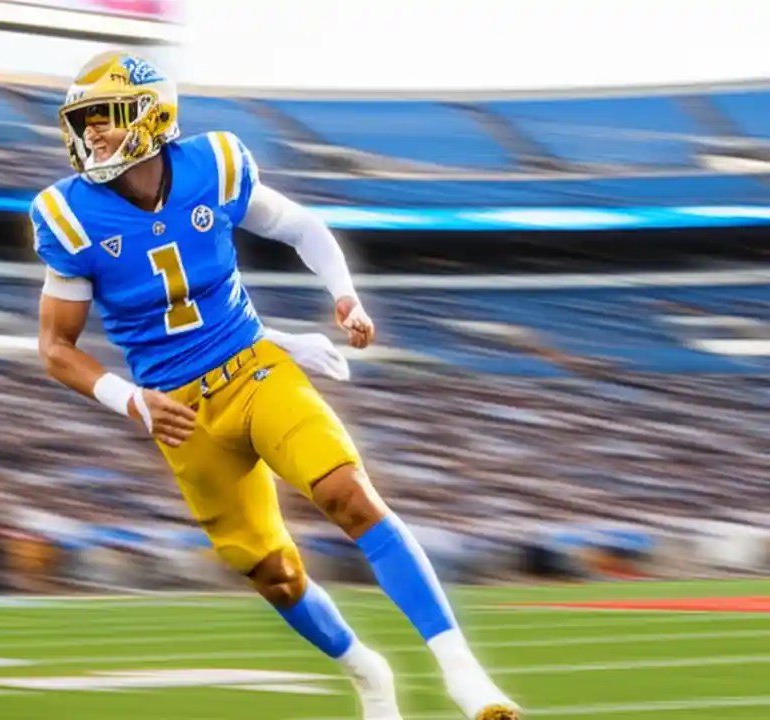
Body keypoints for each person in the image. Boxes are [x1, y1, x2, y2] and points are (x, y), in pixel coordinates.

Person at [32, 50, 520, 720]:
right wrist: (130, 399)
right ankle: (367, 671)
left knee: (348, 495)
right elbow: (57, 348)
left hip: (254, 371)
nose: (92, 135)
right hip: (178, 409)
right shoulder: (70, 215)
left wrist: (344, 296)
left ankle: (466, 678)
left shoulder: (214, 166)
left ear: (152, 116)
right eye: (83, 123)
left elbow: (300, 227)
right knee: (274, 573)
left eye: (104, 119)